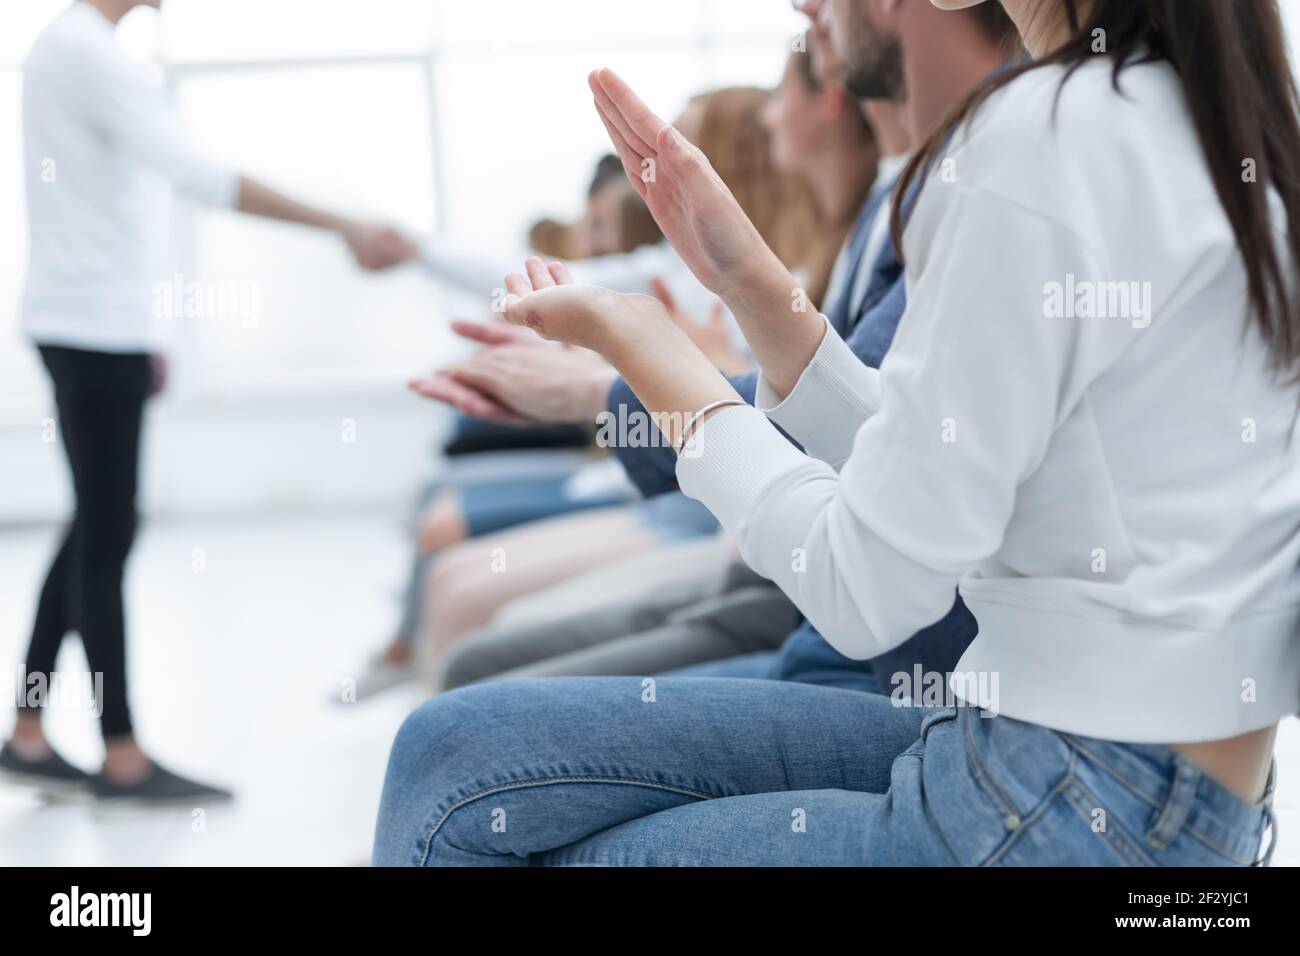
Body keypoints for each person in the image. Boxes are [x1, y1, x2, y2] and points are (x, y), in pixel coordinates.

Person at [375, 0, 1300, 865]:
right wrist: (754, 286)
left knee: (469, 782)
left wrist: (652, 354)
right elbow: (924, 491)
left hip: (1057, 794)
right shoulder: (1208, 121)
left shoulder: (1042, 138)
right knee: (454, 749)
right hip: (1145, 788)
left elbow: (871, 589)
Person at [0, 0, 417, 804]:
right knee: (108, 531)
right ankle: (120, 755)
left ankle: (25, 730)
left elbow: (115, 207)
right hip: (91, 328)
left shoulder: (72, 47)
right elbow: (198, 177)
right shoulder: (86, 51)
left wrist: (147, 331)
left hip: (93, 321)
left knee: (93, 523)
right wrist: (344, 226)